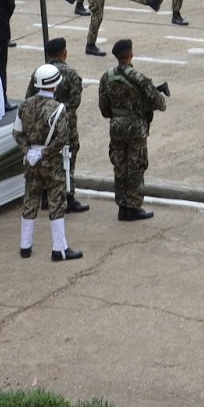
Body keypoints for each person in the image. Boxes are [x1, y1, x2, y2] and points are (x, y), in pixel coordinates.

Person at [14, 64, 81, 262]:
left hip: (31, 160)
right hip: (51, 162)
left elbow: (17, 133)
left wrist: (28, 151)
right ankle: (59, 248)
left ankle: (25, 246)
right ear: (54, 86)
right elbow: (62, 139)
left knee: (30, 199)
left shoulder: (24, 105)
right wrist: (44, 153)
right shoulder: (59, 109)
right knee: (56, 202)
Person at [96, 39, 168, 221]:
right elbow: (160, 104)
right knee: (136, 166)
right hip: (136, 129)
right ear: (131, 55)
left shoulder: (107, 77)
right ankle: (133, 206)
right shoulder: (139, 78)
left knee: (120, 166)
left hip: (117, 128)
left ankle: (122, 205)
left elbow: (104, 109)